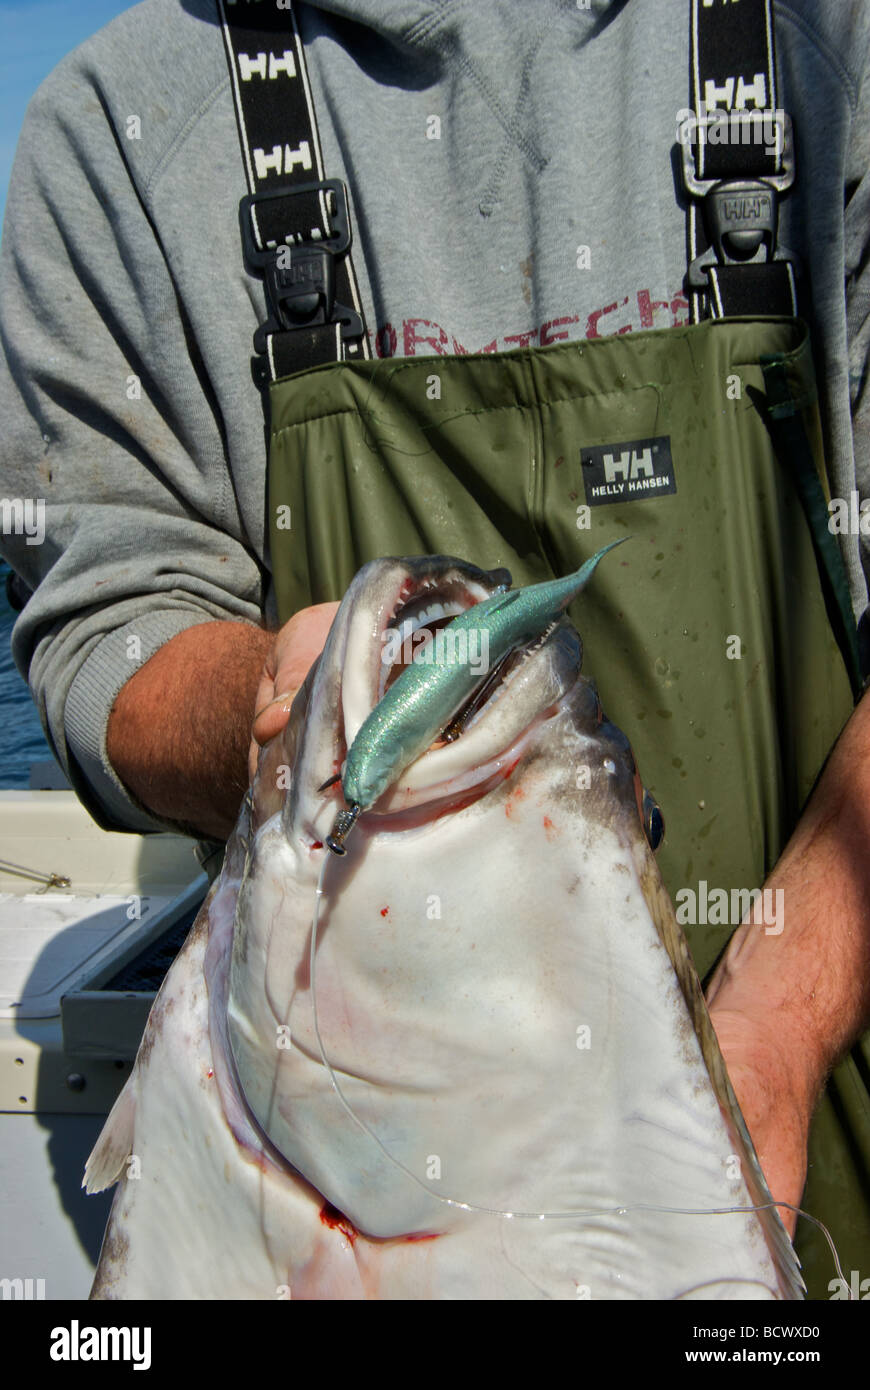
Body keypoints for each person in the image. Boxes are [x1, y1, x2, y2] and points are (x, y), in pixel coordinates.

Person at [1, 0, 868, 1298]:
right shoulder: (114, 139)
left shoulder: (830, 46)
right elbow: (104, 620)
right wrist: (268, 704)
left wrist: (778, 1026)